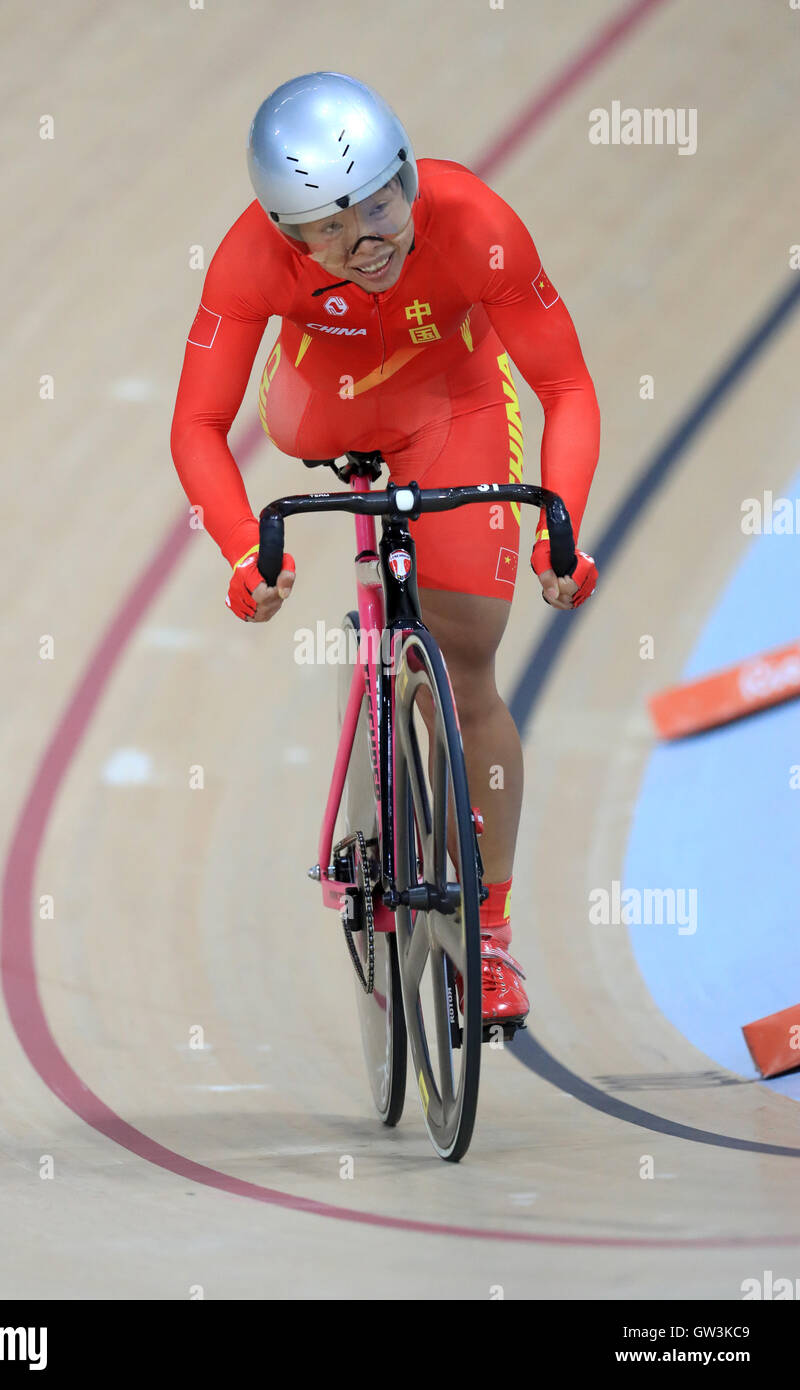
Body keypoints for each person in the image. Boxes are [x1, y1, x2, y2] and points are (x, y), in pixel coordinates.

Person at [171, 71, 599, 1027]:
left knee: (471, 670)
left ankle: (486, 941)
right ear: (285, 235)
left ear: (409, 173)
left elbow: (565, 386)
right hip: (324, 405)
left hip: (457, 406)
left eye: (378, 205)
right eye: (326, 228)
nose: (363, 241)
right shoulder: (249, 261)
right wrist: (246, 550)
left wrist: (557, 528)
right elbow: (198, 425)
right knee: (322, 449)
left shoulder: (478, 221)